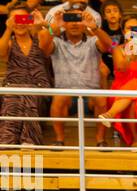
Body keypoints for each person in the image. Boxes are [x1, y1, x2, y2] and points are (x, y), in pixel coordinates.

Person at [38, 8, 112, 147]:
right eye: (69, 20)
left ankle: (100, 140)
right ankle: (59, 140)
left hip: (90, 95)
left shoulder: (93, 40)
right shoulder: (57, 42)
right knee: (59, 97)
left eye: (78, 19)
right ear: (64, 24)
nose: (74, 24)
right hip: (66, 97)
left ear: (84, 23)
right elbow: (43, 46)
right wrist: (55, 26)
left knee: (101, 99)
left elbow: (110, 46)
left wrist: (94, 27)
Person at [96, 13, 137, 146]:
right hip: (121, 92)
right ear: (124, 31)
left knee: (135, 88)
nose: (132, 32)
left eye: (136, 29)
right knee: (132, 100)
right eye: (129, 28)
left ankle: (110, 114)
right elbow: (121, 67)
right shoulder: (118, 49)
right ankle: (135, 141)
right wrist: (130, 54)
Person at [0, 10, 52, 147]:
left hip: (39, 88)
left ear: (29, 21)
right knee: (13, 95)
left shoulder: (39, 37)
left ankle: (28, 140)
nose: (19, 23)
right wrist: (7, 29)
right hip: (13, 88)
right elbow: (1, 52)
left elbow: (50, 38)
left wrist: (43, 25)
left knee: (28, 93)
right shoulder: (9, 42)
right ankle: (8, 140)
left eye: (23, 19)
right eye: (15, 19)